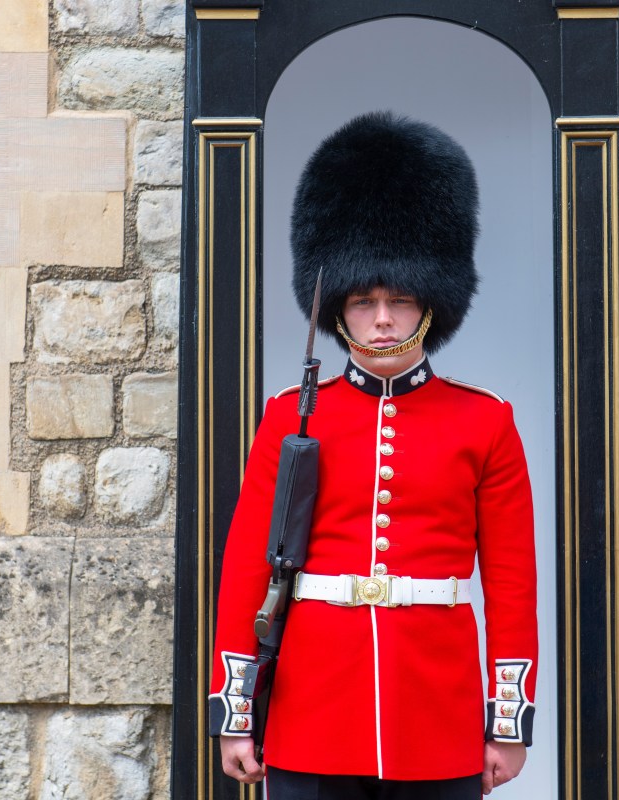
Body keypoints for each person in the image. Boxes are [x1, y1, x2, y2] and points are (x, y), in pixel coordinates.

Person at [208, 111, 538, 799]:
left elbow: (511, 585)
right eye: (362, 301)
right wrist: (236, 714)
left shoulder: (486, 422)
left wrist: (507, 722)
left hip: (437, 717)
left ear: (432, 304)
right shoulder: (290, 418)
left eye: (400, 298)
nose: (382, 318)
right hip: (312, 712)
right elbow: (246, 569)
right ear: (335, 308)